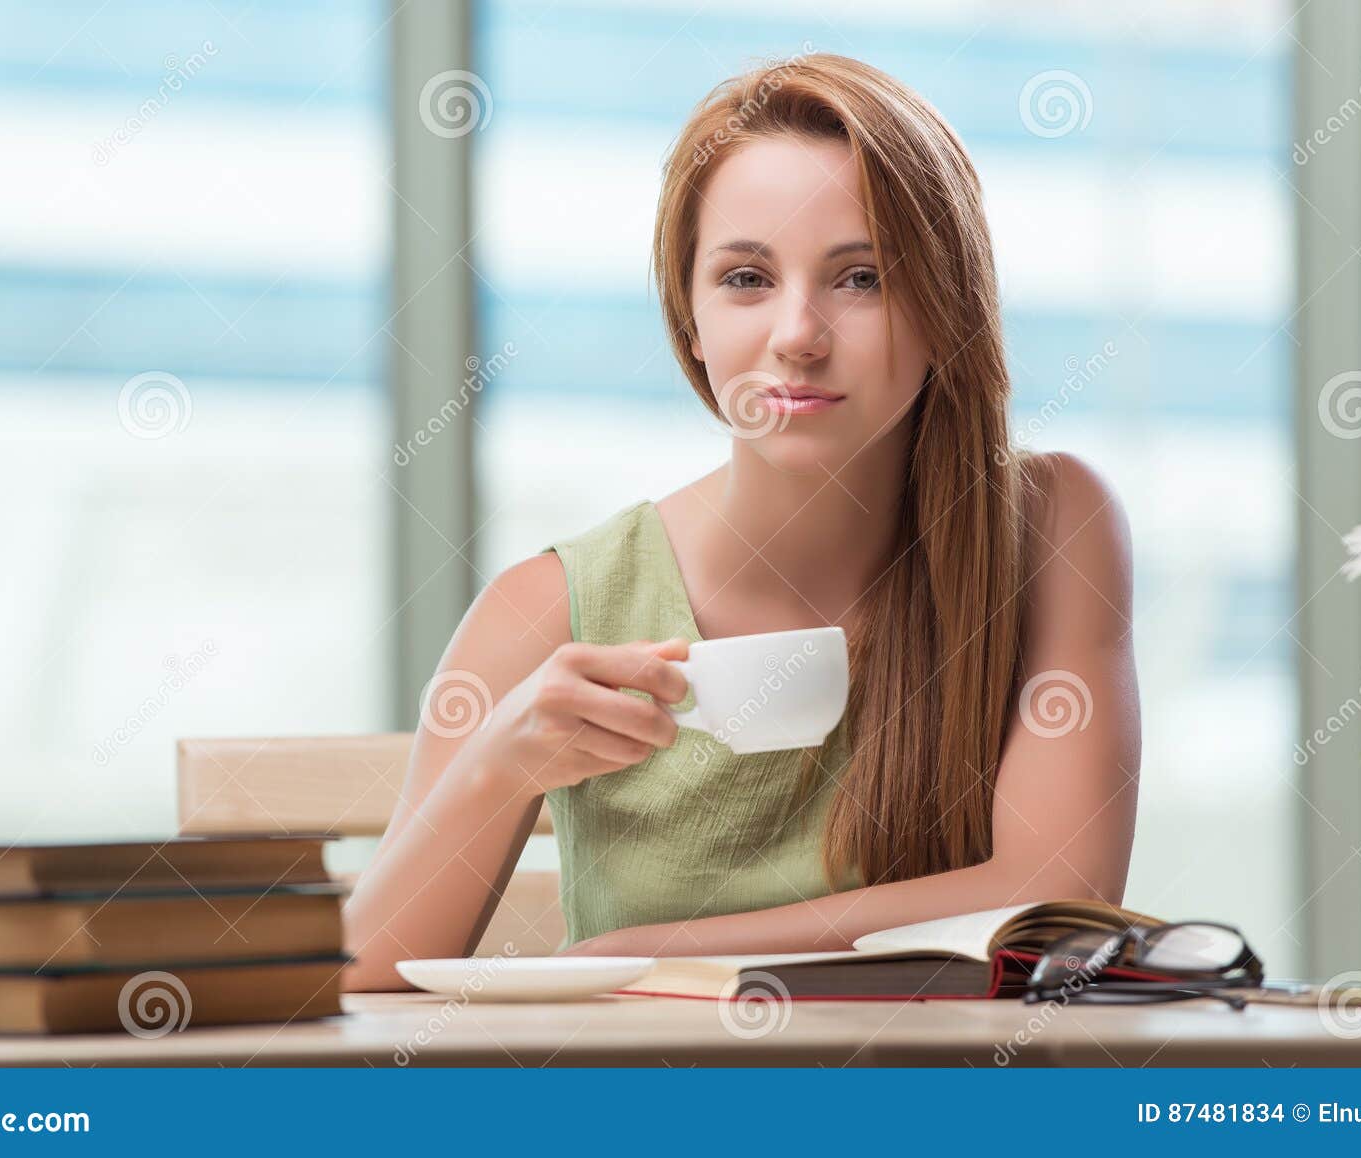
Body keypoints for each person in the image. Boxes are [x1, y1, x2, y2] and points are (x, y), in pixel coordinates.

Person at [344, 52, 1138, 991]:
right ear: (690, 320)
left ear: (945, 307)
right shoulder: (550, 608)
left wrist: (630, 956)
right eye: (747, 278)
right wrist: (496, 768)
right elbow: (356, 976)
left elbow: (1055, 893)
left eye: (862, 279)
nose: (798, 336)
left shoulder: (1049, 528)